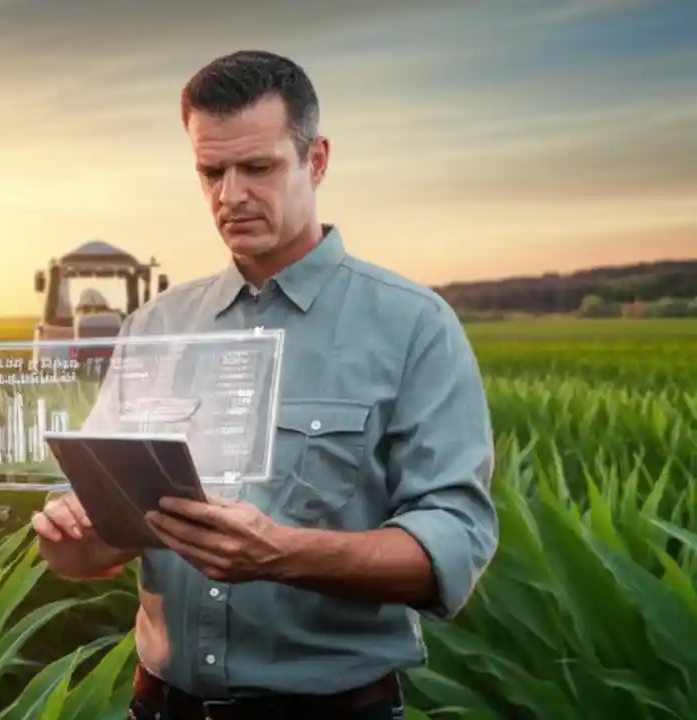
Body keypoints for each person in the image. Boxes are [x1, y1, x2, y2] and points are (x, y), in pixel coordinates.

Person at [30, 50, 498, 720]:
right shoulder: (154, 326)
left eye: (257, 167)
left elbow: (453, 543)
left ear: (317, 160)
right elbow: (104, 541)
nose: (230, 195)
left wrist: (282, 554)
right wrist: (75, 539)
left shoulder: (414, 325)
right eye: (210, 170)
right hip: (160, 706)